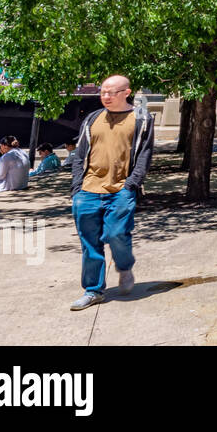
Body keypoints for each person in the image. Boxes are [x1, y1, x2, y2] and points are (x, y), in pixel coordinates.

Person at [67, 74, 155, 311]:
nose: (105, 96)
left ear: (126, 92)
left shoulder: (141, 118)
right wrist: (77, 187)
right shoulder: (93, 118)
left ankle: (124, 267)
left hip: (120, 190)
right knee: (90, 243)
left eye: (111, 92)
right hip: (88, 190)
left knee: (117, 234)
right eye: (103, 92)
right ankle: (93, 290)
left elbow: (145, 154)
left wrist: (131, 185)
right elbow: (80, 154)